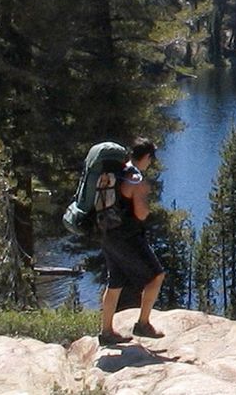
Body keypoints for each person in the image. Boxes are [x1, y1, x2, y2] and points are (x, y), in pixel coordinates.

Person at [98, 137, 166, 345]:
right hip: (127, 236)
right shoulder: (136, 179)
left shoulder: (116, 172)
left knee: (115, 282)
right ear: (146, 157)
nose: (150, 163)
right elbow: (141, 213)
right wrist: (145, 200)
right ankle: (143, 324)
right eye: (151, 159)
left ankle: (106, 332)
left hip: (107, 233)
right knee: (157, 275)